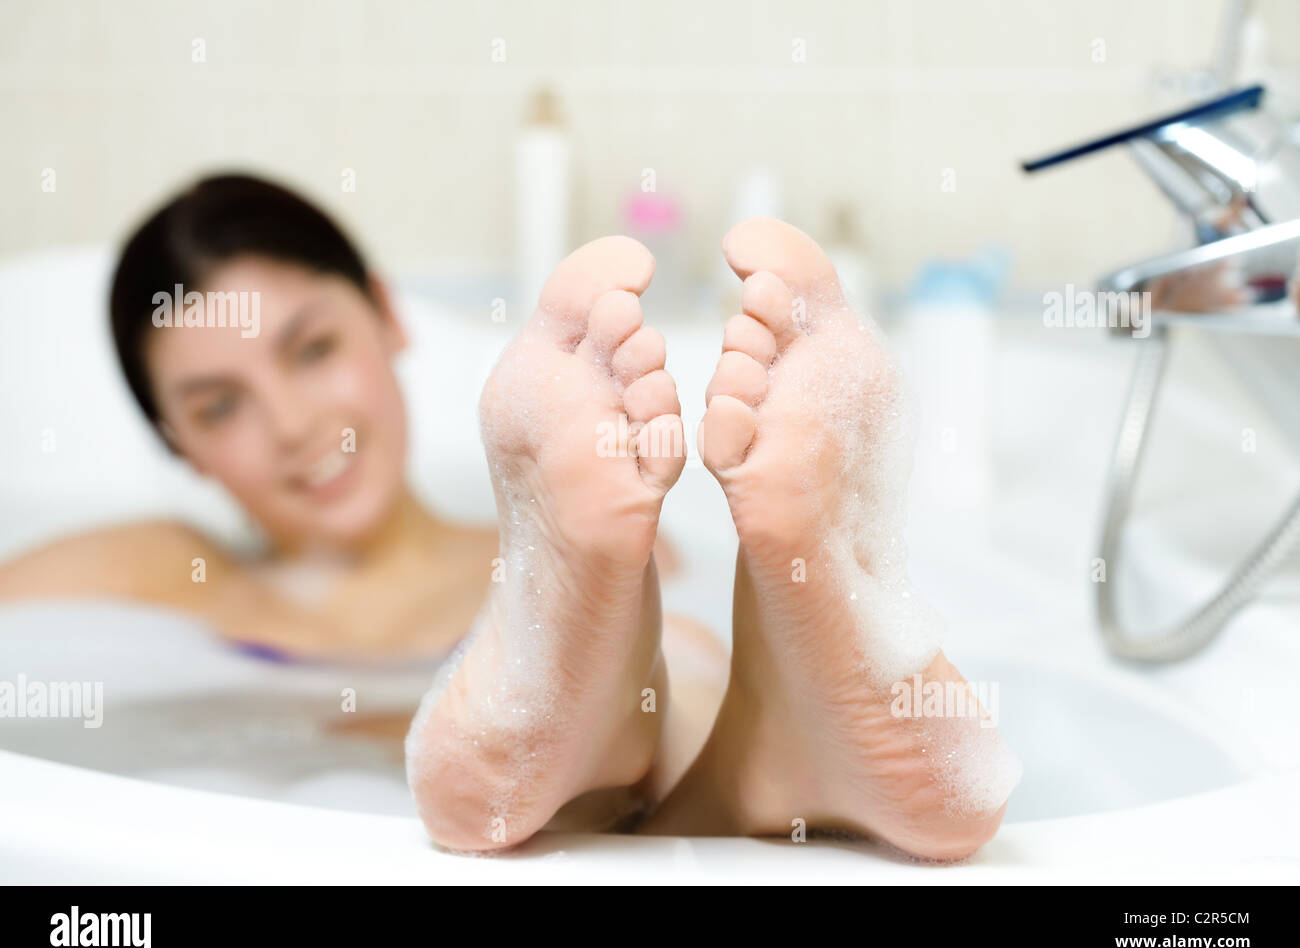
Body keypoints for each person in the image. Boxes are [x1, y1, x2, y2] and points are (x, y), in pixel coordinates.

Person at [0, 173, 1018, 859]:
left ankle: (725, 730)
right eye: (217, 405)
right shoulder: (143, 569)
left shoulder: (602, 530)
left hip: (538, 754)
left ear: (391, 316)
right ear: (176, 444)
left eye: (312, 349)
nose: (293, 423)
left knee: (678, 649)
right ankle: (773, 767)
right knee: (658, 659)